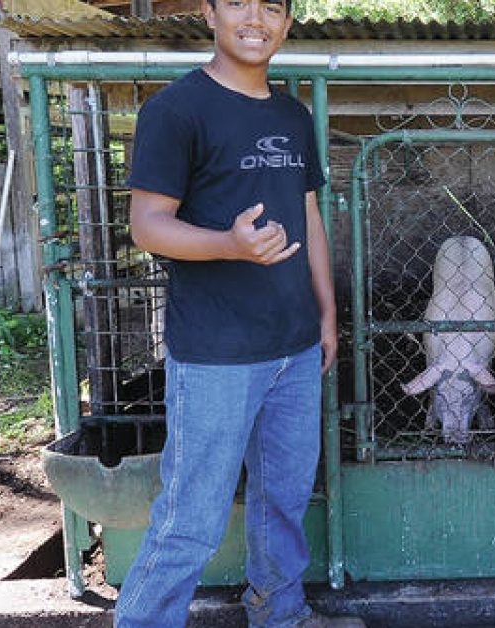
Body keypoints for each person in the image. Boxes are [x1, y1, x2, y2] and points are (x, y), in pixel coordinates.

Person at [112, 1, 362, 626]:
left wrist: (326, 316)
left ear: (287, 21)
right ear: (209, 12)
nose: (255, 17)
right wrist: (229, 244)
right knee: (191, 519)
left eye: (271, 5)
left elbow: (309, 218)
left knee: (283, 499)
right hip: (216, 355)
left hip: (295, 347)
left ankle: (281, 613)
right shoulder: (175, 110)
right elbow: (146, 226)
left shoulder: (292, 116)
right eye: (238, 2)